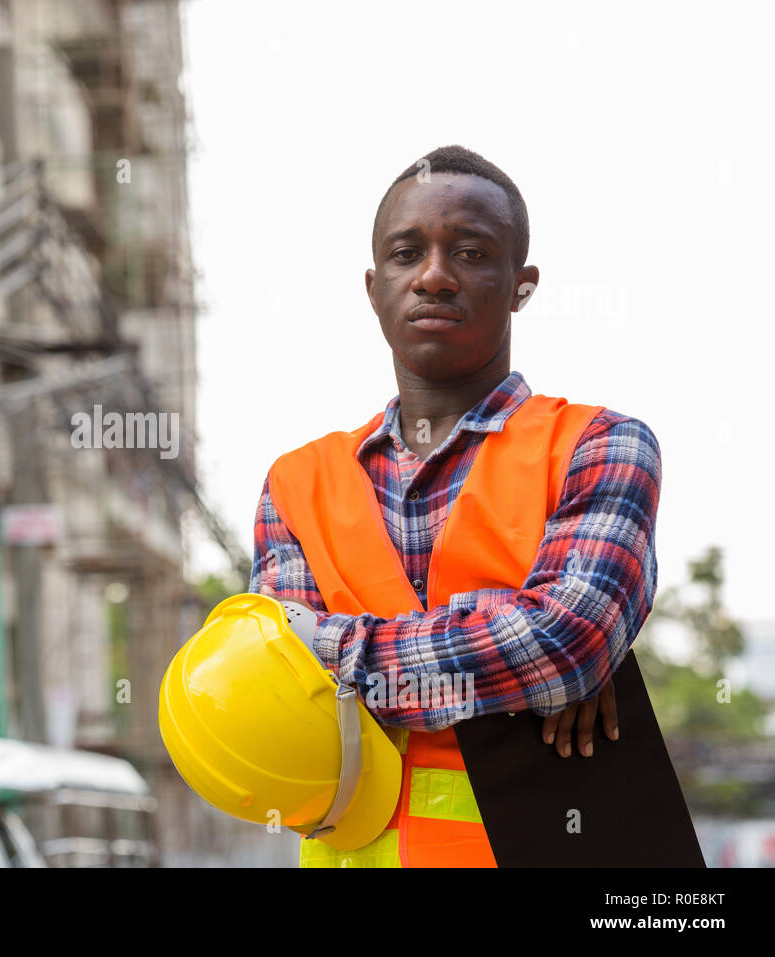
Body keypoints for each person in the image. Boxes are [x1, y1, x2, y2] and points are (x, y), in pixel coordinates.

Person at [251, 145, 663, 867]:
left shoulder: (599, 445)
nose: (435, 275)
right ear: (375, 286)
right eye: (407, 253)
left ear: (520, 285)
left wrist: (332, 651)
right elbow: (278, 707)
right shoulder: (294, 484)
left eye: (471, 252)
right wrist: (512, 657)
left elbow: (566, 642)